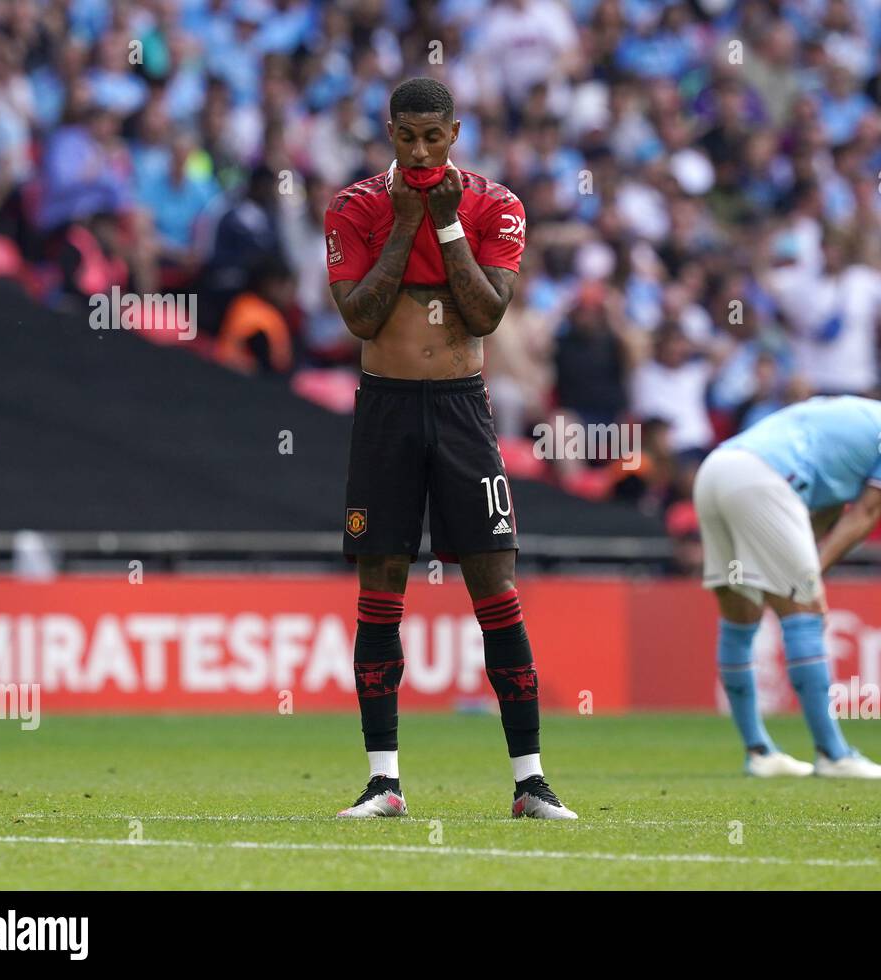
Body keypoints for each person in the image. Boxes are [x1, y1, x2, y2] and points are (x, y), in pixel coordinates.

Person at [324, 78, 575, 820]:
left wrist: (446, 228)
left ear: (455, 132)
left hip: (463, 411)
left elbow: (486, 314)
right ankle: (383, 783)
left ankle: (530, 782)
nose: (422, 150)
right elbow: (361, 320)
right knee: (381, 593)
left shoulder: (496, 206)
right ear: (390, 133)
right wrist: (405, 226)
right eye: (408, 137)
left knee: (496, 587)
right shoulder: (355, 207)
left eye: (435, 136)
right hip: (387, 411)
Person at [693, 395, 881, 778]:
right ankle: (833, 754)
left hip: (717, 470)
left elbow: (818, 521)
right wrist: (809, 578)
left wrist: (797, 569)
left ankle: (759, 752)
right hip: (763, 476)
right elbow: (866, 513)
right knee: (806, 613)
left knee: (741, 612)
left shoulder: (854, 453)